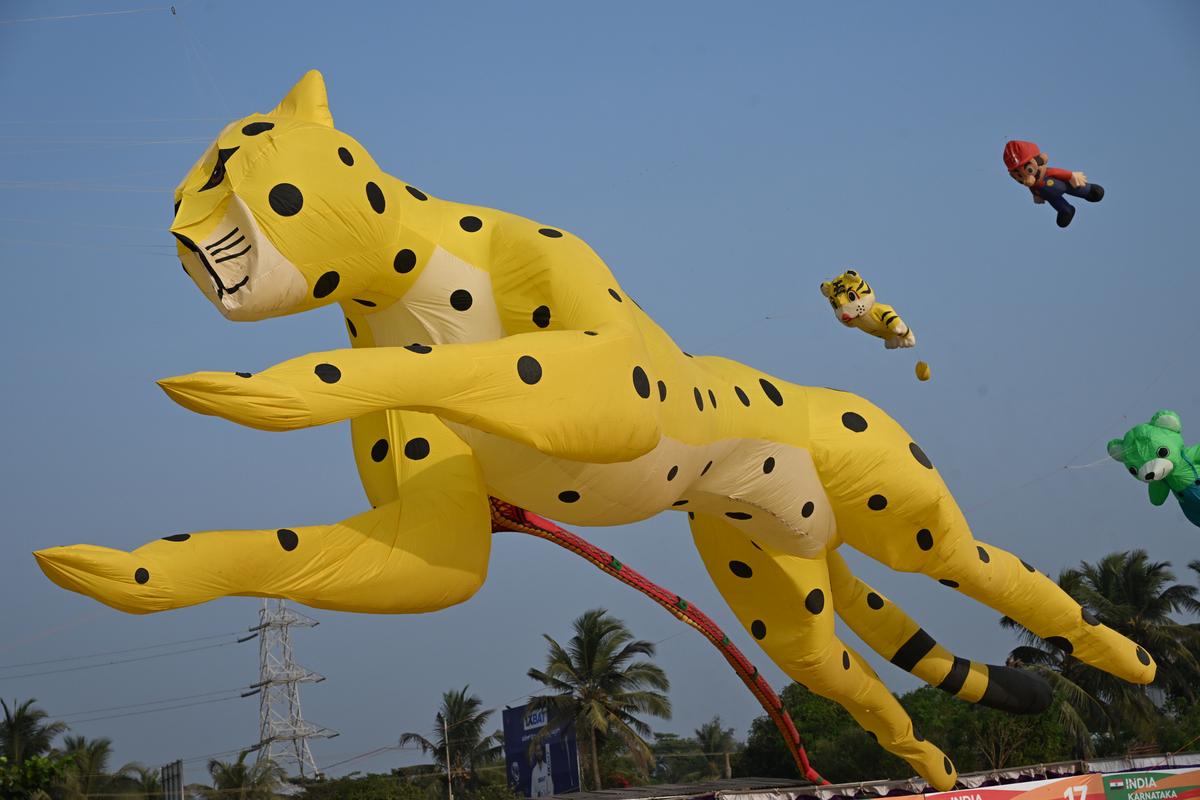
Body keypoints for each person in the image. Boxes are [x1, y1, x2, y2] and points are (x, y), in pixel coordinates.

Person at [1003, 139, 1104, 227]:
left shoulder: (1047, 173)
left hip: (1063, 184)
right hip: (1049, 195)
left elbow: (1058, 172)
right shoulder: (1033, 185)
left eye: (1029, 170)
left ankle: (1088, 190)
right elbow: (1032, 188)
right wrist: (1036, 195)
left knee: (1074, 186)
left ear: (1038, 161)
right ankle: (1066, 211)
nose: (1025, 179)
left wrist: (1071, 175)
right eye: (1019, 176)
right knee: (1056, 202)